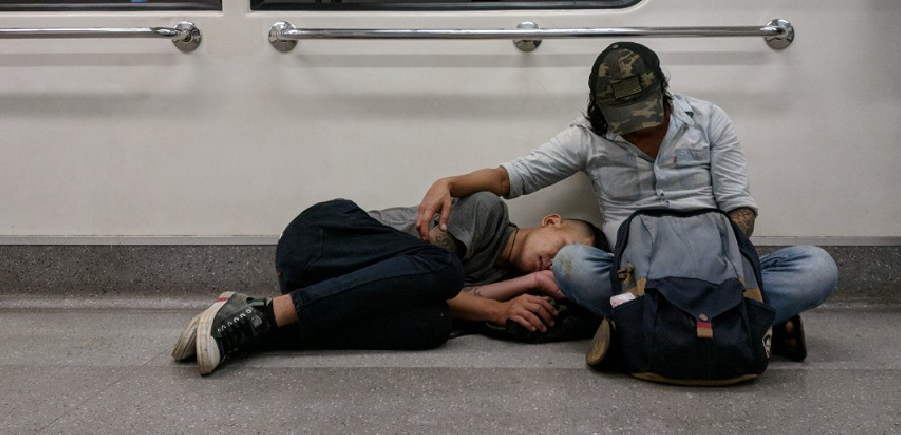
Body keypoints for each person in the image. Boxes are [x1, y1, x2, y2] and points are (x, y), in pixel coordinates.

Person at [416, 41, 838, 362]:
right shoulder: (588, 137)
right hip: (638, 271)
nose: (636, 132)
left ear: (662, 91)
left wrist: (720, 258)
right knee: (569, 266)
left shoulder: (709, 121)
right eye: (625, 124)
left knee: (818, 267)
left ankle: (643, 326)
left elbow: (739, 208)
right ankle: (746, 321)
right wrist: (450, 183)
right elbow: (512, 176)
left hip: (715, 263)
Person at [175, 192, 608, 375]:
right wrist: (499, 305)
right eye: (564, 249)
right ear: (551, 221)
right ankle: (270, 313)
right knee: (442, 271)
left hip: (331, 287)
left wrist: (527, 286)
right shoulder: (489, 212)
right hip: (325, 238)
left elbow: (442, 301)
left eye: (562, 270)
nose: (556, 264)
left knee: (433, 325)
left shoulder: (506, 279)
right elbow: (435, 276)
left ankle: (245, 326)